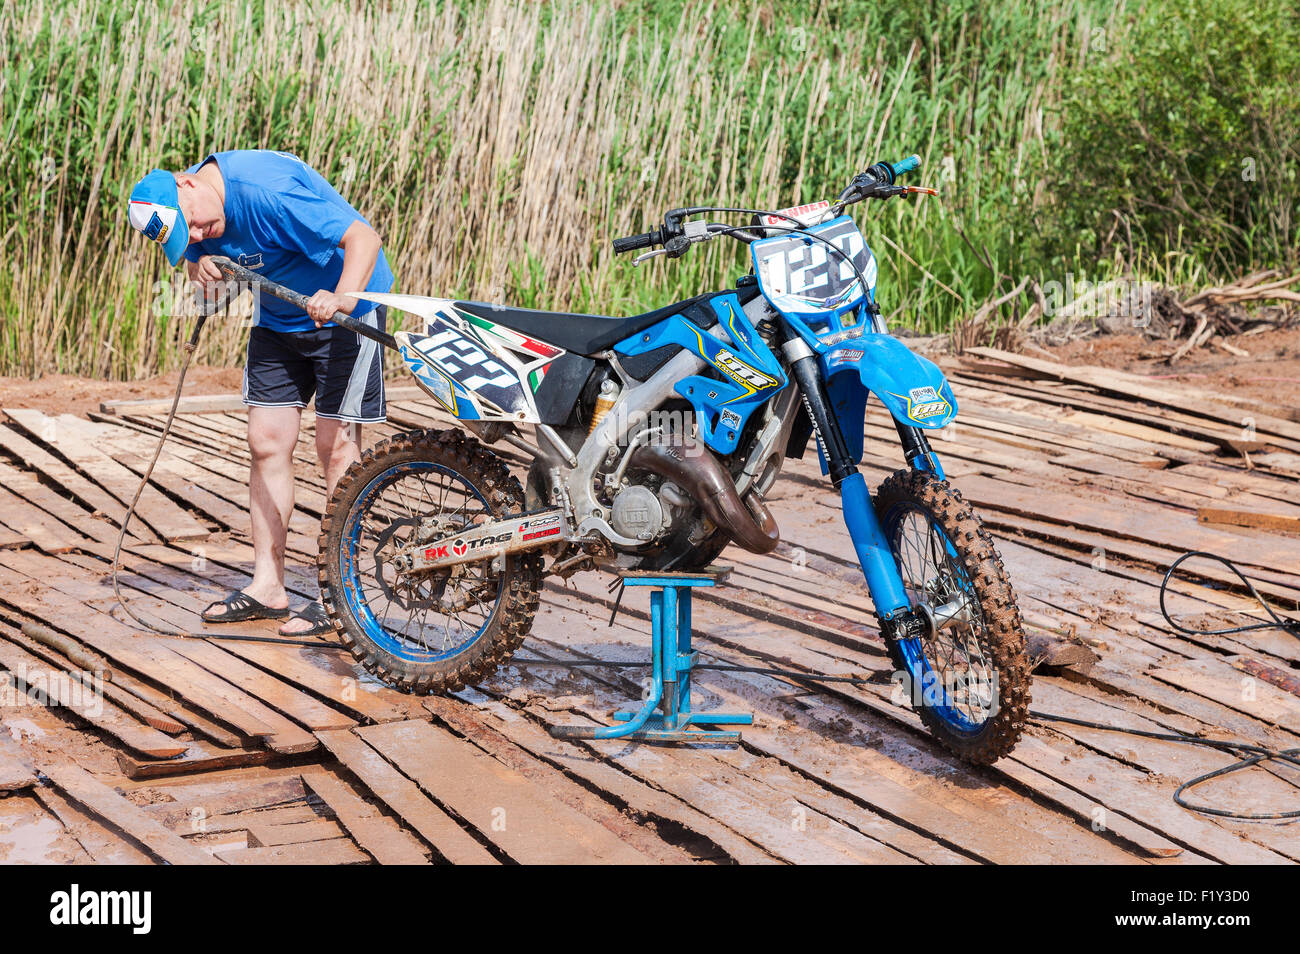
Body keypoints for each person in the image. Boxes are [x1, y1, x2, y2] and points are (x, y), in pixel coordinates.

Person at [127, 149, 394, 635]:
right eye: (191, 237)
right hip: (278, 319)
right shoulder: (196, 214)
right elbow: (206, 273)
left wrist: (343, 298)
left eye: (198, 228)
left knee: (335, 449)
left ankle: (340, 593)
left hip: (347, 312)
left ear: (186, 183)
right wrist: (201, 270)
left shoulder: (265, 192)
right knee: (266, 441)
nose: (202, 236)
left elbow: (363, 237)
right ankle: (269, 588)